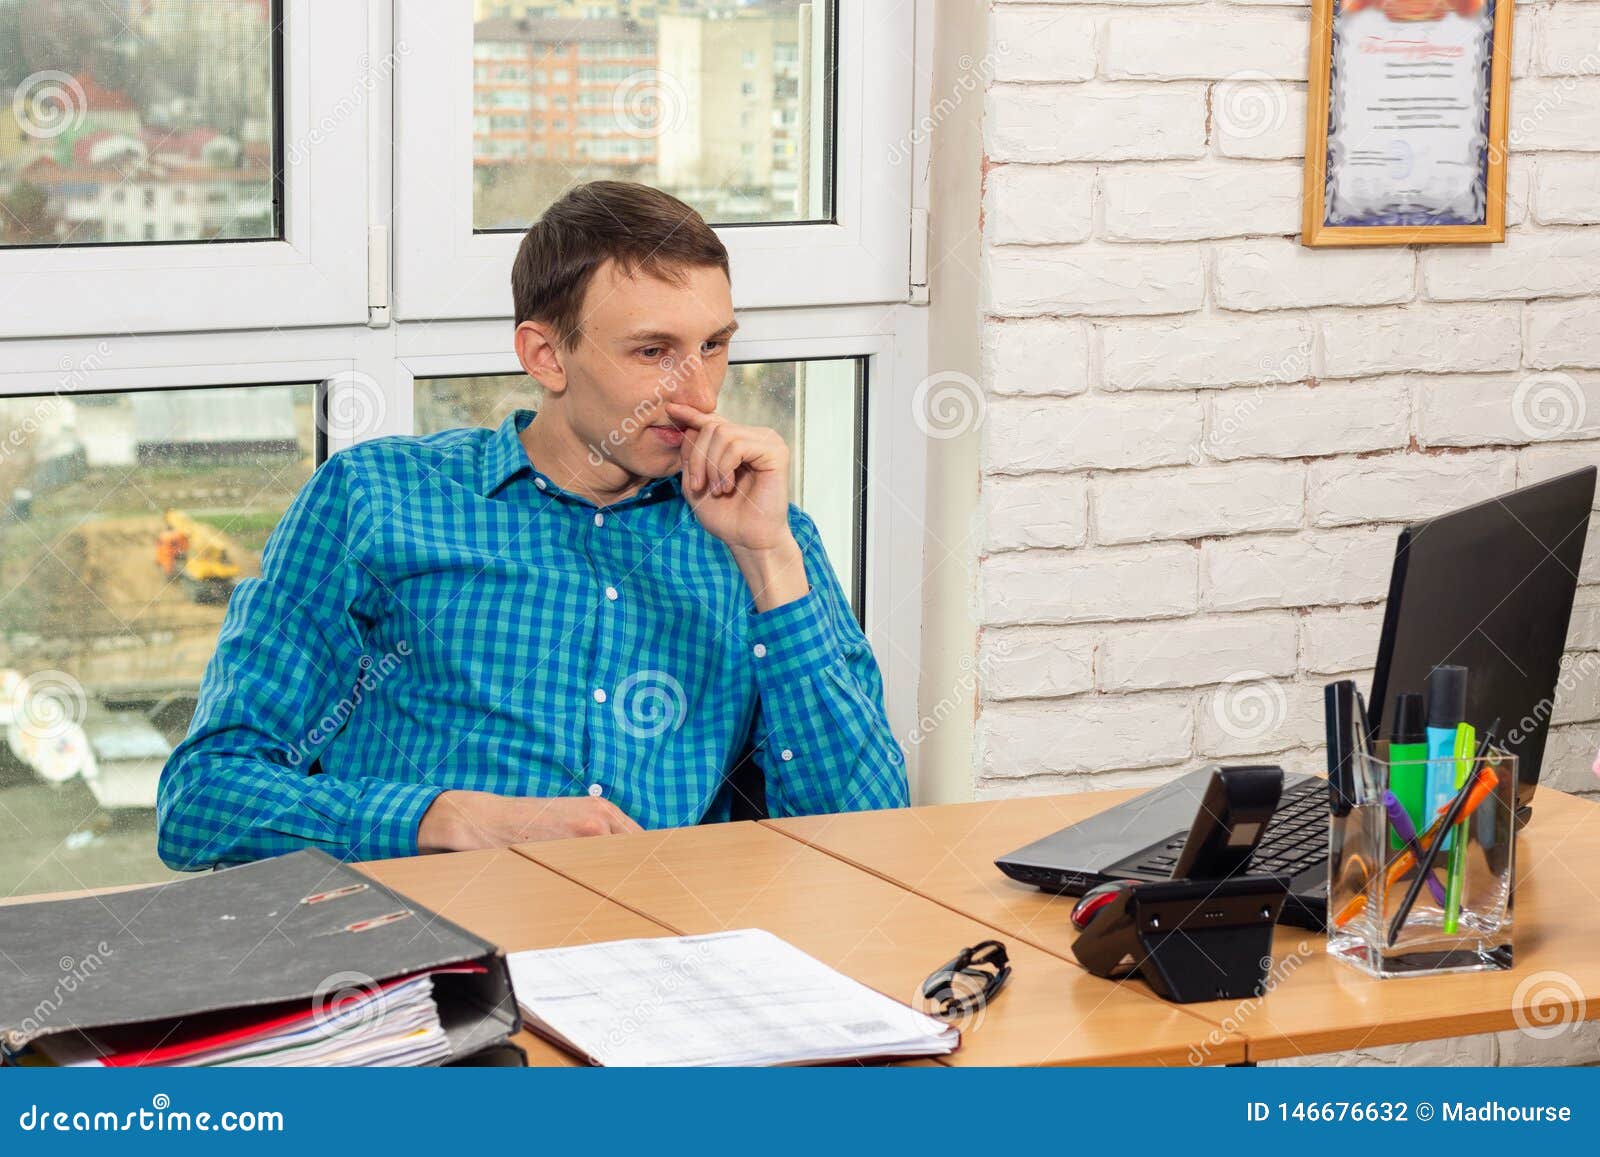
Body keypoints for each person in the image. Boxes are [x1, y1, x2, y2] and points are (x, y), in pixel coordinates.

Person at [156, 181, 908, 870]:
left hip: (660, 964)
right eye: (654, 352)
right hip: (423, 971)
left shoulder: (768, 536)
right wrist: (451, 817)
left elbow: (870, 838)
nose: (700, 393)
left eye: (713, 346)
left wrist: (770, 560)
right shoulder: (376, 498)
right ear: (546, 355)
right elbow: (204, 804)